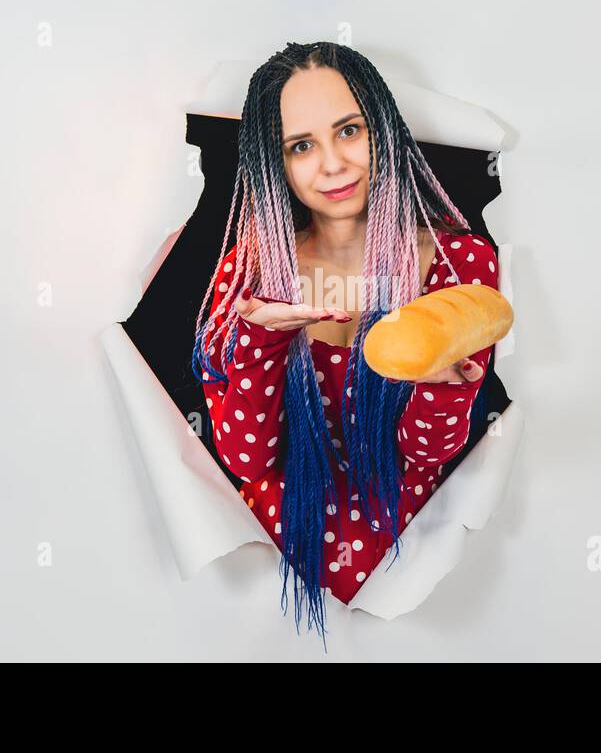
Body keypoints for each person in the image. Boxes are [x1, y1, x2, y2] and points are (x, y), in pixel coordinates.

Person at [191, 41, 502, 641]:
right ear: (272, 164)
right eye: (300, 146)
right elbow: (247, 461)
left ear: (381, 129)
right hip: (268, 578)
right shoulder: (248, 271)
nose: (332, 164)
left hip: (418, 568)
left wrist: (442, 388)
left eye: (349, 130)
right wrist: (259, 341)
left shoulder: (460, 264)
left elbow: (427, 456)